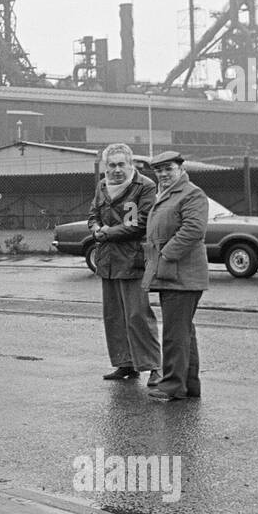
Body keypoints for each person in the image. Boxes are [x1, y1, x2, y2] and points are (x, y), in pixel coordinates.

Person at [87, 143, 161, 386]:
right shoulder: (101, 186)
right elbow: (93, 214)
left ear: (131, 165)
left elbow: (141, 223)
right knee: (114, 316)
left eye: (121, 164)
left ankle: (154, 367)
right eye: (112, 165)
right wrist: (95, 228)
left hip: (134, 260)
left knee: (138, 315)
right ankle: (125, 364)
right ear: (105, 167)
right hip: (108, 261)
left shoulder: (145, 187)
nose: (116, 170)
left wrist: (106, 233)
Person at [141, 151, 209, 402]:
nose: (163, 174)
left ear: (181, 168)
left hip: (182, 274)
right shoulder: (167, 194)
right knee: (183, 332)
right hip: (172, 273)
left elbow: (193, 229)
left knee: (174, 333)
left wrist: (165, 255)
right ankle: (189, 385)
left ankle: (172, 385)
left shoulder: (191, 193)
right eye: (158, 171)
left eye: (168, 169)